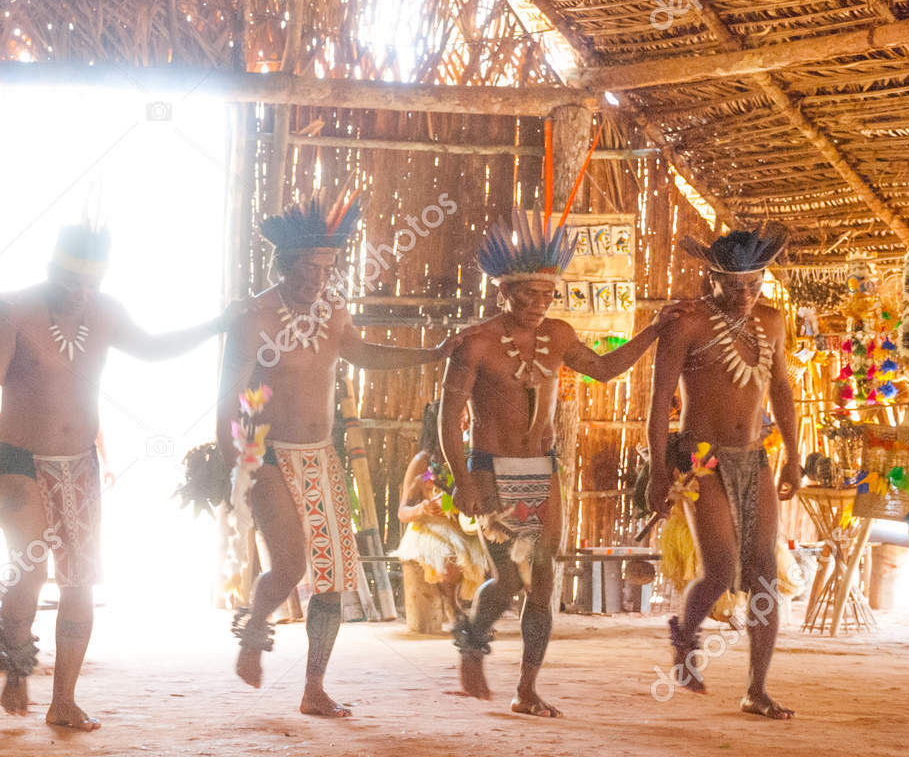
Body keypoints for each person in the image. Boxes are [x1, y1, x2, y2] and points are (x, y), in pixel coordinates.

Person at [0, 222, 233, 731]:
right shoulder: (14, 313)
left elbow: (153, 347)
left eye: (90, 282)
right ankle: (17, 668)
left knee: (79, 580)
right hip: (19, 461)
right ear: (50, 270)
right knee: (31, 570)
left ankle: (62, 700)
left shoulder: (106, 312)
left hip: (81, 463)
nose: (79, 291)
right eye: (69, 279)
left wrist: (217, 324)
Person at [218, 191, 455, 717]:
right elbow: (229, 394)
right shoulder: (254, 316)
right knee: (288, 565)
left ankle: (313, 687)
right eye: (305, 268)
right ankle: (255, 631)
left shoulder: (333, 311)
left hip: (320, 454)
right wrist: (230, 459)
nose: (315, 278)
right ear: (283, 265)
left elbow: (363, 353)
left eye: (324, 268)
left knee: (331, 578)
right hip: (265, 451)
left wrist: (430, 353)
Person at [440, 209, 672, 716]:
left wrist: (653, 331)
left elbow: (607, 370)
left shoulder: (560, 336)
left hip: (541, 472)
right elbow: (448, 416)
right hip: (491, 470)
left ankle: (527, 689)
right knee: (508, 581)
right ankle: (473, 642)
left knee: (544, 581)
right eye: (527, 296)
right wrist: (462, 479)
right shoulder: (476, 342)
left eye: (546, 296)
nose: (538, 305)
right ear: (504, 293)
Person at [646, 224, 799, 719]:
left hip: (754, 457)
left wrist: (794, 454)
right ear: (712, 279)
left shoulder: (772, 322)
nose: (744, 295)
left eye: (754, 285)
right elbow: (655, 407)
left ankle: (757, 688)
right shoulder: (686, 325)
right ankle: (685, 637)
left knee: (763, 576)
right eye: (734, 286)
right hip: (700, 458)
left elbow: (781, 390)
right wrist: (656, 471)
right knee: (720, 569)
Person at [394, 401, 488, 633]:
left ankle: (479, 615)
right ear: (441, 426)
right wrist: (423, 508)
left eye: (465, 418)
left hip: (460, 526)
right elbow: (402, 512)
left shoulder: (469, 457)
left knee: (489, 558)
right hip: (428, 528)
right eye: (459, 419)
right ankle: (452, 607)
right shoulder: (423, 462)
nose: (464, 423)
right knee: (450, 558)